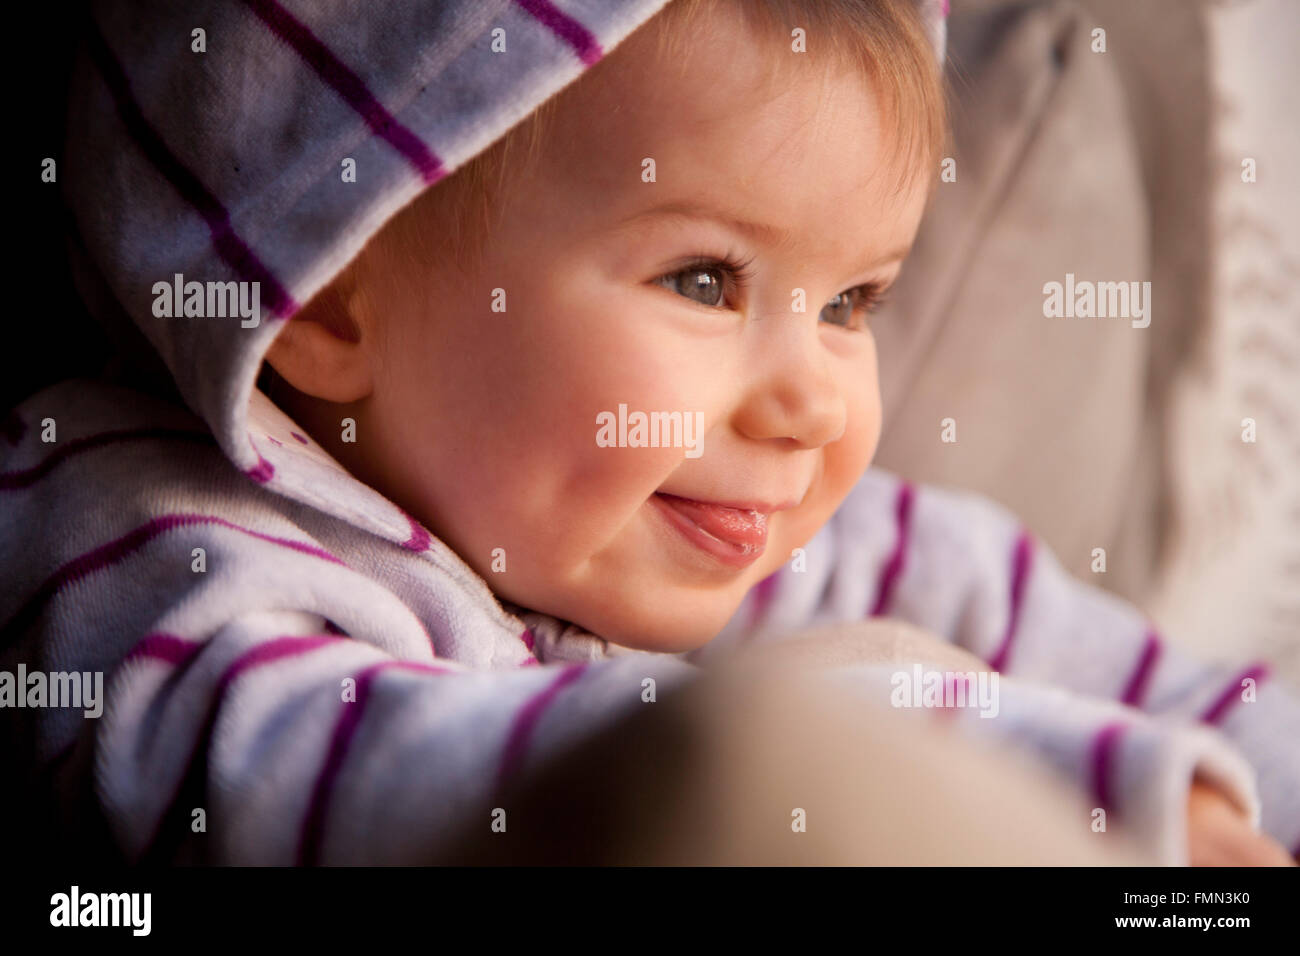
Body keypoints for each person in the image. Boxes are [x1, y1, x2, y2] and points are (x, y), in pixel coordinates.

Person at [2, 0, 1294, 865]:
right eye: (705, 281)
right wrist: (983, 759)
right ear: (332, 291)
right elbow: (378, 790)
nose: (814, 407)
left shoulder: (800, 543)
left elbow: (1207, 704)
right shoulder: (145, 547)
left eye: (852, 304)